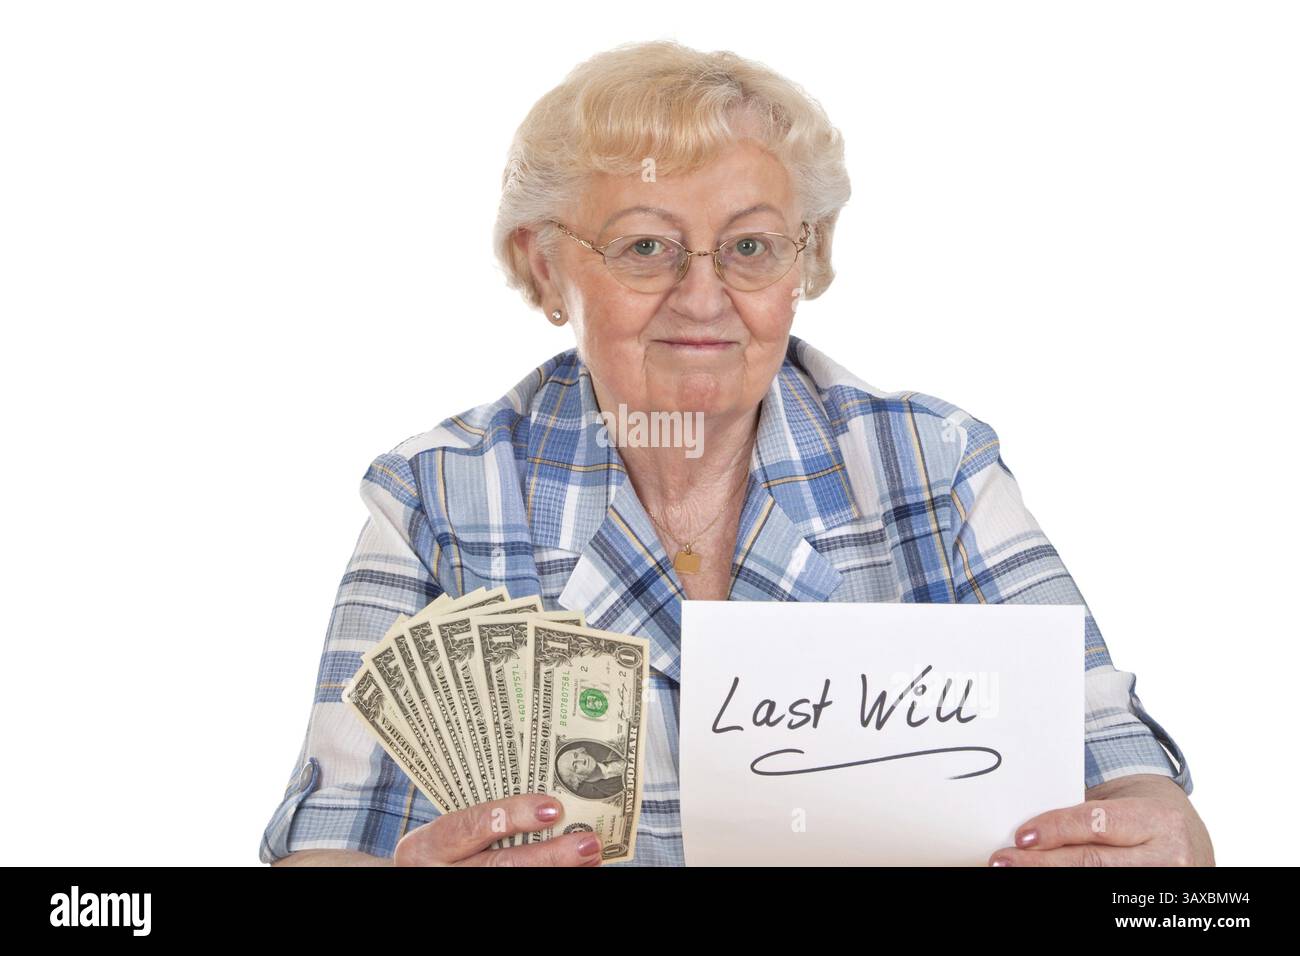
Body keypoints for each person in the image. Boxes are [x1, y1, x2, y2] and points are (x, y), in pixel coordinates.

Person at [260, 39, 1213, 867]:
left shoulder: (936, 464)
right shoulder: (437, 496)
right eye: (645, 248)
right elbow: (326, 849)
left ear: (806, 261)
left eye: (752, 247)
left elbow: (1134, 789)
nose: (705, 296)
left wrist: (1157, 845)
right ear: (543, 265)